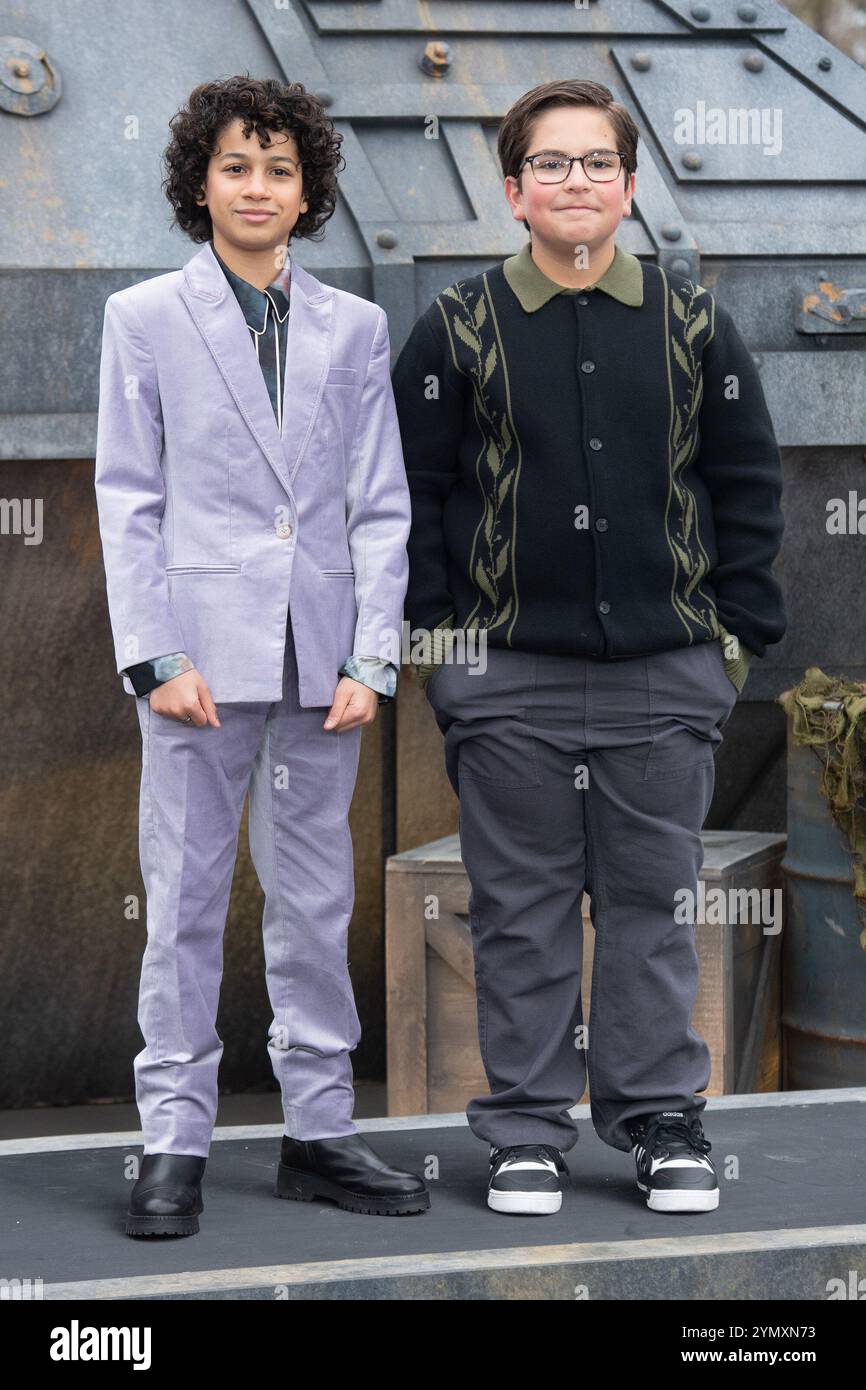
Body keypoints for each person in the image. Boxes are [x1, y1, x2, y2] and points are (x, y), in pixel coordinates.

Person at [392, 79, 786, 1216]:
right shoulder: (457, 328)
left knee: (652, 907)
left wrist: (730, 646)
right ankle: (523, 1129)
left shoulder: (690, 322)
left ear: (627, 185)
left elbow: (747, 488)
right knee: (515, 910)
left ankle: (659, 1121)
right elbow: (413, 494)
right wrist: (444, 649)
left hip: (666, 675)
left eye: (596, 163)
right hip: (504, 678)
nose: (576, 182)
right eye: (550, 165)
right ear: (513, 192)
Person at [94, 74, 428, 1236]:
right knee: (183, 899)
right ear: (200, 181)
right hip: (192, 669)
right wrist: (152, 656)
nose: (257, 185)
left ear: (307, 191)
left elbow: (377, 504)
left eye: (279, 168)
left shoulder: (354, 327)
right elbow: (127, 498)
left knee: (313, 901)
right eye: (236, 165)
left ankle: (321, 1132)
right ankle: (172, 1140)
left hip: (319, 667)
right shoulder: (143, 318)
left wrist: (371, 659)